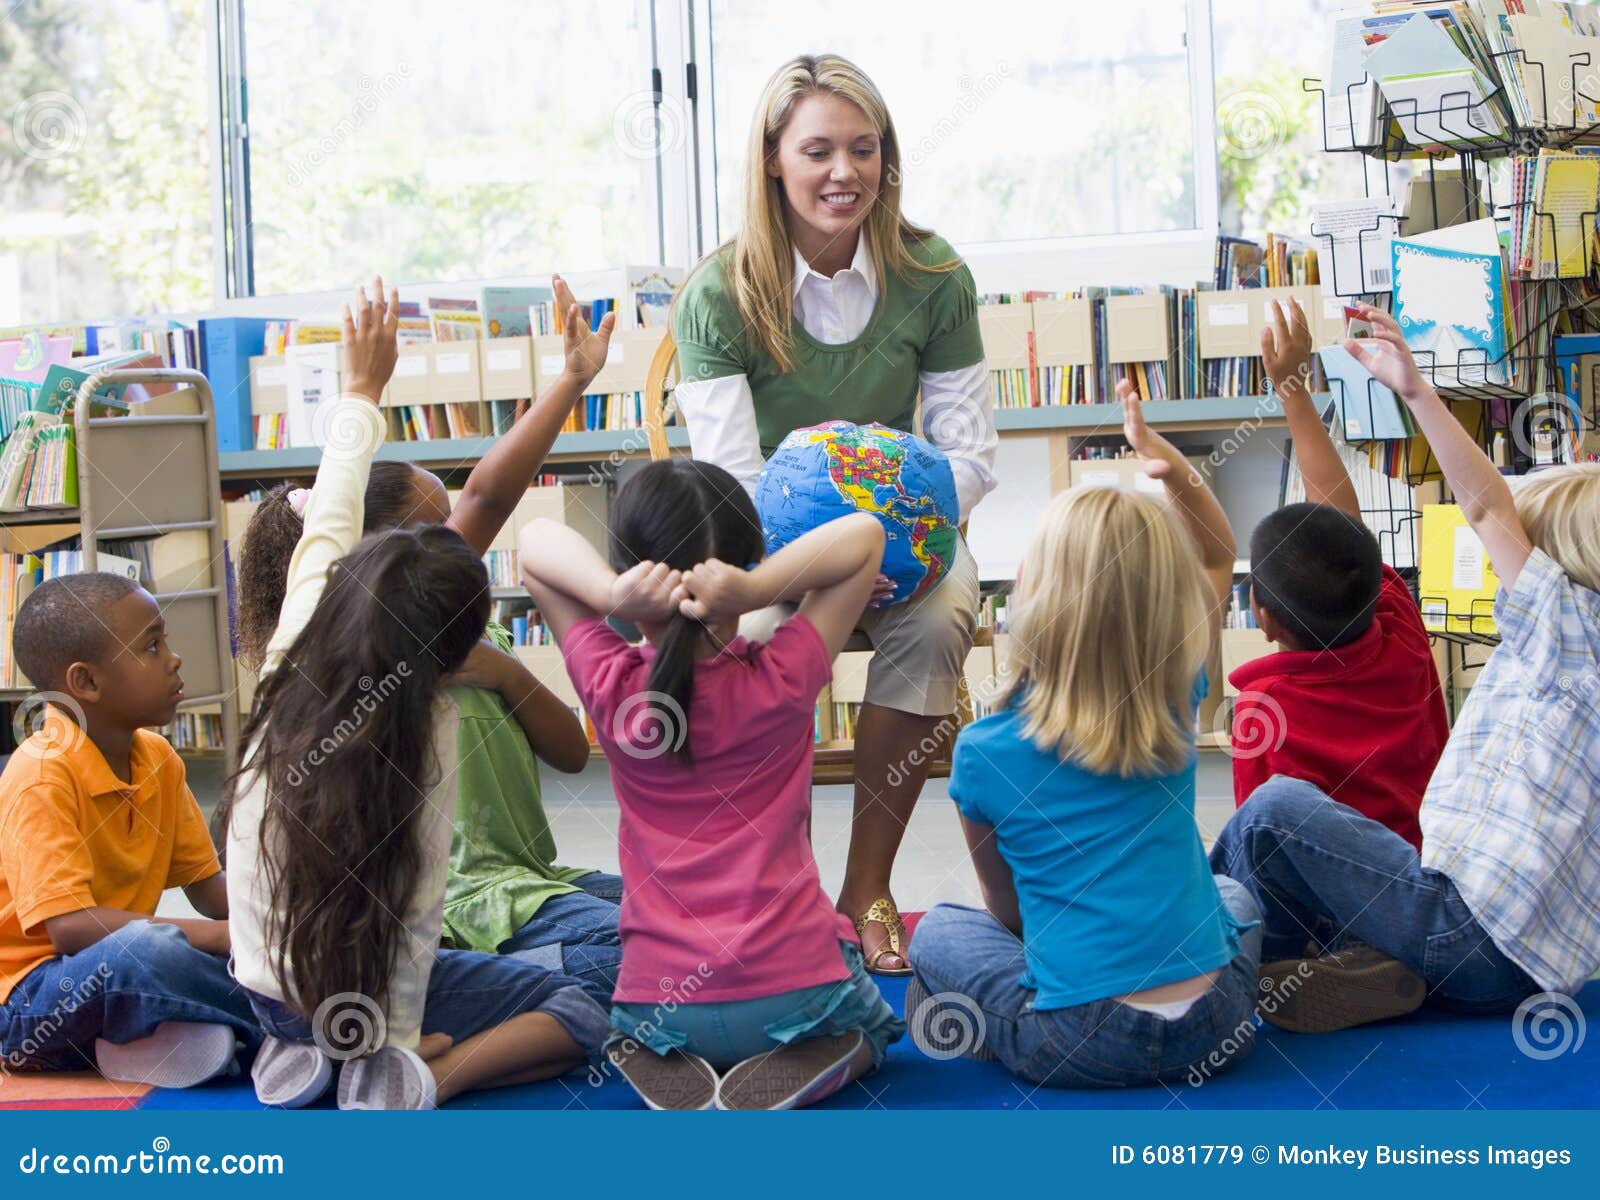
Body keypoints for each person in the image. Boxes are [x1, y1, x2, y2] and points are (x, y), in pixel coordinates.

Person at [226, 281, 607, 1109]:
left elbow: (333, 516)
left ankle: (294, 1053)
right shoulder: (427, 715)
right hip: (372, 997)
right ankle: (408, 1069)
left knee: (621, 911)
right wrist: (396, 1046)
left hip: (269, 989)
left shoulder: (300, 638)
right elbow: (421, 902)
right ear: (450, 647)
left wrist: (362, 391)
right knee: (608, 990)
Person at [671, 53, 995, 973]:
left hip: (913, 541)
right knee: (748, 635)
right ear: (772, 159)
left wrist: (900, 544)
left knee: (937, 622)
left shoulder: (935, 276)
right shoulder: (718, 294)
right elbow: (729, 483)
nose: (843, 173)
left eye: (864, 149)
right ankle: (770, 894)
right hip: (770, 547)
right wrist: (826, 566)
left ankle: (868, 887)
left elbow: (969, 454)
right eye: (817, 151)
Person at [1211, 302, 1598, 1032]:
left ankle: (1219, 972)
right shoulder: (1405, 630)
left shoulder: (1566, 634)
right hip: (1521, 962)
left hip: (1468, 930)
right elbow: (1345, 528)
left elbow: (1486, 509)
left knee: (1269, 814)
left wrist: (1415, 392)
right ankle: (1381, 964)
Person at [907, 384, 1264, 1088]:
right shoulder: (1178, 690)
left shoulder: (983, 751)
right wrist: (1168, 465)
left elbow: (1007, 914)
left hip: (1080, 1040)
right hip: (1220, 1021)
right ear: (1168, 603)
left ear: (1032, 600)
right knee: (1235, 898)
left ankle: (985, 1023)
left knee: (940, 932)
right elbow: (1219, 557)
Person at [519, 458, 904, 1109]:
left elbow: (532, 543)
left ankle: (664, 1055)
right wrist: (755, 590)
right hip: (795, 991)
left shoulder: (611, 686)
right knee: (876, 1023)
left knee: (656, 1012)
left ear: (630, 565)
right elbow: (865, 534)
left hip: (659, 1006)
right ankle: (829, 1048)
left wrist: (614, 595)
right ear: (744, 560)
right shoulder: (784, 676)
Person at [0, 573, 258, 1085]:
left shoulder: (159, 759)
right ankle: (298, 1032)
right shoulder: (42, 772)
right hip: (29, 999)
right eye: (152, 646)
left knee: (198, 949)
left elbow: (208, 890)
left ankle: (145, 1043)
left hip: (116, 979)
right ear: (87, 683)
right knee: (150, 951)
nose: (174, 658)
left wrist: (286, 913)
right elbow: (69, 929)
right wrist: (232, 939)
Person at [1230, 297, 1449, 851]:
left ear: (1263, 618)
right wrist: (1294, 389)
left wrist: (1289, 387)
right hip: (1434, 870)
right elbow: (1342, 520)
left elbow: (1265, 849)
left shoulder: (1265, 709)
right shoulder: (1399, 630)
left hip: (1339, 921)